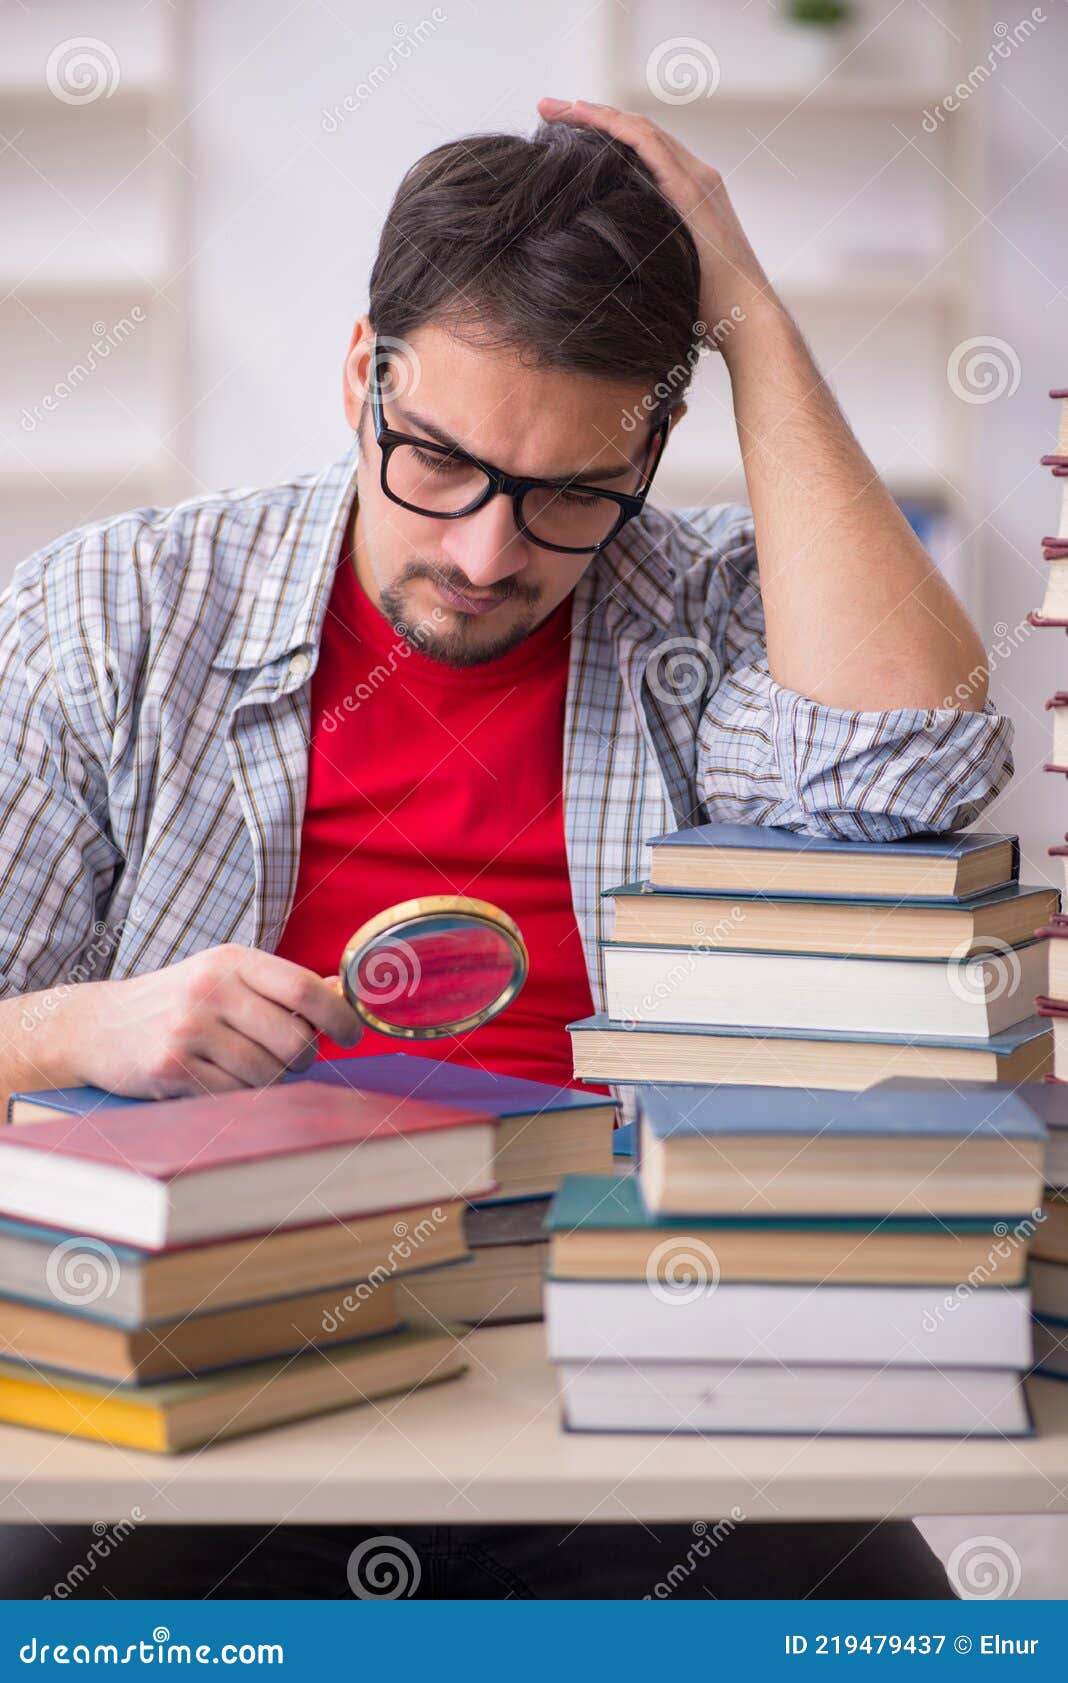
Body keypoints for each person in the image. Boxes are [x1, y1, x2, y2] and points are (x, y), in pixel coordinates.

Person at [0, 100, 999, 1599]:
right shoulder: (119, 614)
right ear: (362, 378)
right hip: (221, 1365)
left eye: (571, 494)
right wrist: (88, 1024)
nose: (483, 552)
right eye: (440, 463)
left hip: (631, 1363)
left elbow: (913, 762)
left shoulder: (713, 613)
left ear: (653, 453)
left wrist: (755, 322)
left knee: (896, 1630)